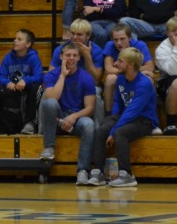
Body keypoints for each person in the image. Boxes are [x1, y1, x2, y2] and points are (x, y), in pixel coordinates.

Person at [88, 47, 158, 187]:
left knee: (120, 133)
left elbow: (133, 111)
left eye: (120, 61)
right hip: (125, 116)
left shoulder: (144, 84)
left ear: (131, 65)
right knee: (102, 129)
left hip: (144, 120)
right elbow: (118, 103)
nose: (115, 64)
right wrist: (112, 120)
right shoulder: (121, 79)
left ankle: (127, 175)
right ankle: (98, 172)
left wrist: (113, 131)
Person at [39, 42, 96, 185]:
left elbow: (90, 108)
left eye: (74, 55)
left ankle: (82, 171)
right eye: (67, 55)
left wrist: (74, 117)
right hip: (56, 120)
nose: (71, 58)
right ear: (61, 57)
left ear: (78, 58)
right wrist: (63, 75)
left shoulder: (86, 77)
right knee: (49, 103)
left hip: (75, 119)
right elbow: (52, 98)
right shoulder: (52, 75)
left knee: (89, 124)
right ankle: (49, 148)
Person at [0, 29, 43, 135]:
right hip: (12, 89)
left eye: (19, 39)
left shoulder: (33, 58)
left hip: (26, 89)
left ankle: (30, 123)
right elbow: (0, 76)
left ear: (28, 44)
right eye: (15, 38)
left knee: (36, 87)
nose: (15, 41)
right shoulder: (8, 57)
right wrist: (7, 82)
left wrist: (25, 81)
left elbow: (39, 77)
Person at [101, 23, 154, 116]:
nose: (119, 43)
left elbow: (149, 67)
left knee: (148, 78)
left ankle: (146, 116)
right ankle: (109, 115)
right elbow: (108, 69)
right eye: (115, 40)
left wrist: (131, 71)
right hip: (123, 76)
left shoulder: (140, 45)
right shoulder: (110, 45)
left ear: (130, 38)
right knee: (110, 78)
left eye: (122, 39)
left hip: (134, 77)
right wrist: (129, 70)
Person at [155, 16, 177, 135]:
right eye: (174, 30)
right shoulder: (162, 49)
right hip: (168, 84)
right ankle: (171, 125)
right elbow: (174, 71)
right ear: (168, 33)